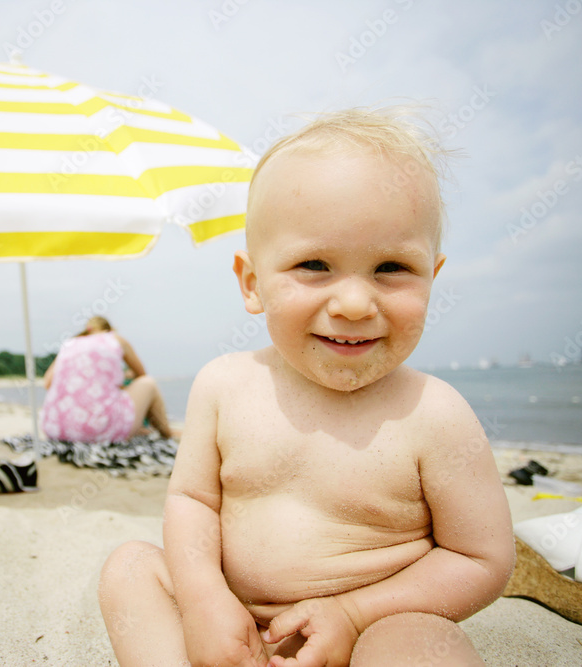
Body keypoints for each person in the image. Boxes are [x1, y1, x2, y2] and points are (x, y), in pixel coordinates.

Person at [98, 108, 515, 666]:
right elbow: (192, 501)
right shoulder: (224, 385)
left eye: (391, 267)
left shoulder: (434, 413)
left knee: (421, 644)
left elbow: (480, 559)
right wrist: (203, 601)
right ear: (253, 284)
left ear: (432, 277)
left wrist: (355, 613)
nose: (353, 304)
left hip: (368, 630)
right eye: (314, 264)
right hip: (234, 624)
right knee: (130, 567)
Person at [40, 316, 176, 442]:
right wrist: (124, 377)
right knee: (149, 383)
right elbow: (141, 374)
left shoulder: (69, 344)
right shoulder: (115, 339)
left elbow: (48, 382)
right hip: (98, 430)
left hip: (56, 428)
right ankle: (167, 433)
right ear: (108, 329)